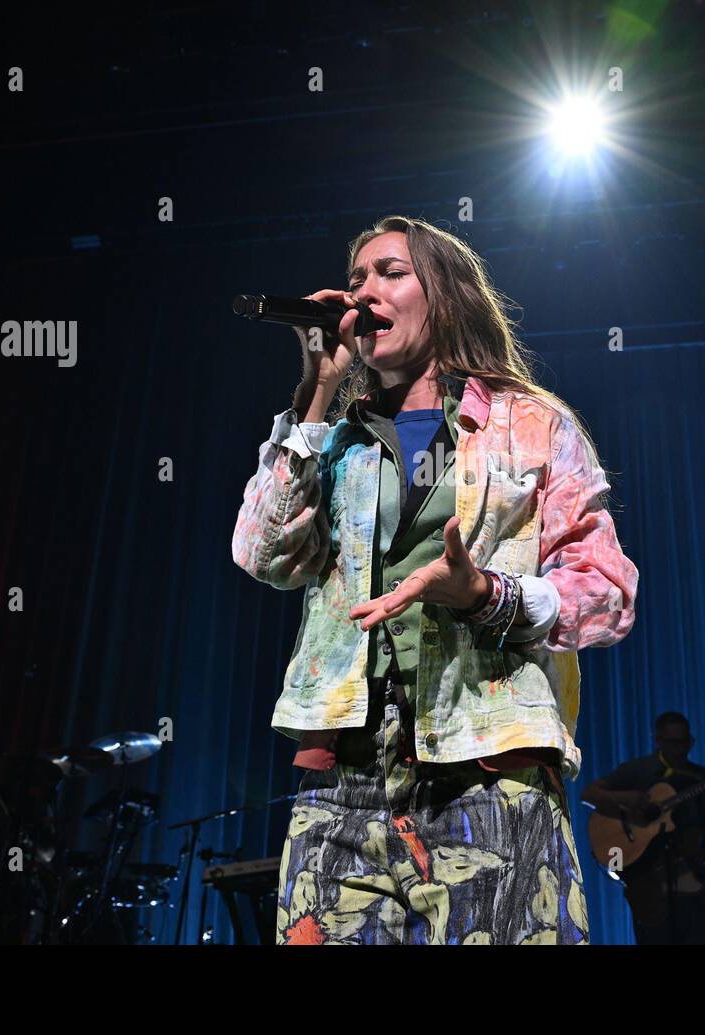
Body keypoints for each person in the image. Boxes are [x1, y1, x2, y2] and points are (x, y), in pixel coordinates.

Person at [231, 215, 638, 945]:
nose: (363, 291)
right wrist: (315, 395)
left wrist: (488, 595)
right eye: (355, 278)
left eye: (390, 272)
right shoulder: (335, 442)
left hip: (487, 772)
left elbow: (607, 591)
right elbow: (260, 554)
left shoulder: (530, 425)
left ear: (443, 297)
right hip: (341, 784)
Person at [581, 712, 705, 944]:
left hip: (695, 884)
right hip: (649, 886)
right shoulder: (638, 770)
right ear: (659, 741)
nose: (681, 749)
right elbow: (589, 794)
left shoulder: (703, 777)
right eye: (674, 743)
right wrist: (628, 798)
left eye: (686, 742)